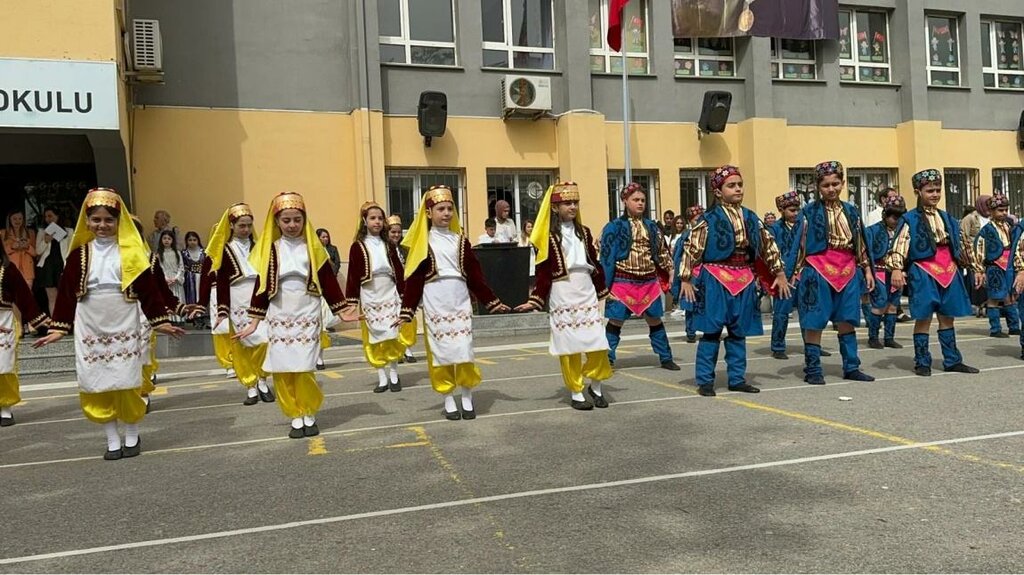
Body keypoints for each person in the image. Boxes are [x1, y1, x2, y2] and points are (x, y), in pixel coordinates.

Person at [33, 188, 185, 459]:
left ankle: (132, 434)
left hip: (123, 318)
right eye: (96, 220)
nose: (102, 225)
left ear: (119, 222)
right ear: (87, 222)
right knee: (96, 382)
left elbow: (149, 292)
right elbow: (67, 294)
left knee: (127, 380)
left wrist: (160, 322)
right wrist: (58, 328)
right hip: (90, 321)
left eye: (108, 220)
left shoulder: (131, 254)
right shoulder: (78, 255)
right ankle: (112, 438)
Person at [235, 192, 347, 438]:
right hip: (279, 312)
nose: (292, 225)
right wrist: (254, 321)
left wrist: (342, 310)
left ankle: (309, 412)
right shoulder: (271, 250)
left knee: (304, 366)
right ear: (277, 221)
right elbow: (261, 288)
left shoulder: (313, 248)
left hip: (307, 309)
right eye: (286, 220)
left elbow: (328, 281)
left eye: (297, 219)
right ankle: (294, 415)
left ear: (304, 219)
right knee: (284, 368)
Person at [395, 185, 510, 421]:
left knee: (464, 349)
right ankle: (448, 398)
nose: (446, 213)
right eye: (440, 209)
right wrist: (407, 311)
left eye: (449, 208)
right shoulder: (422, 243)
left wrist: (492, 301)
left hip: (458, 297)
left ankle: (467, 397)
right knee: (440, 352)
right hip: (435, 297)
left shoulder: (461, 241)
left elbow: (475, 276)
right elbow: (415, 279)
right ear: (428, 213)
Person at [677, 166, 790, 396]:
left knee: (739, 332)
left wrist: (779, 273)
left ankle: (737, 378)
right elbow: (692, 248)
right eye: (731, 185)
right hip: (715, 277)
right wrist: (686, 279)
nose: (738, 188)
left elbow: (768, 244)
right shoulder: (707, 219)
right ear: (718, 191)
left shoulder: (751, 217)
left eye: (740, 184)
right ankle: (705, 381)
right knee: (711, 331)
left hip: (744, 277)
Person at [515, 182, 612, 409]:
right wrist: (535, 298)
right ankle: (576, 391)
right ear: (555, 207)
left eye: (575, 202)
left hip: (585, 287)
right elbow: (543, 271)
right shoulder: (547, 237)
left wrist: (604, 290)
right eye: (567, 203)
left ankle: (595, 386)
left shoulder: (584, 232)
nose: (573, 207)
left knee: (597, 342)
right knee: (569, 346)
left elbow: (594, 264)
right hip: (562, 289)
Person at [787, 161, 875, 385]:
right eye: (826, 185)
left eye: (836, 183)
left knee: (847, 319)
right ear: (818, 186)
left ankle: (851, 366)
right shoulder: (808, 212)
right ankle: (814, 369)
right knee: (814, 321)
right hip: (817, 270)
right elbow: (799, 244)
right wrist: (792, 273)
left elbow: (860, 243)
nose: (831, 189)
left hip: (847, 269)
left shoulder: (852, 211)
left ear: (843, 183)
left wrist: (866, 270)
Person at [886, 169, 981, 377]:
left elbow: (963, 243)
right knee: (924, 317)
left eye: (938, 190)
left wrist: (975, 267)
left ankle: (952, 360)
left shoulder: (947, 217)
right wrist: (896, 267)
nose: (935, 194)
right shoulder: (909, 219)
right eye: (930, 190)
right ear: (918, 191)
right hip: (923, 270)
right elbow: (900, 243)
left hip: (949, 268)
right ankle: (922, 361)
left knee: (947, 317)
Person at [197, 203, 274, 406]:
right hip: (236, 297)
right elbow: (221, 282)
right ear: (231, 225)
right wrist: (222, 309)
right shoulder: (225, 249)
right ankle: (250, 386)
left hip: (258, 295)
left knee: (265, 340)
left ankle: (263, 379)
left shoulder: (260, 246)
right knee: (241, 345)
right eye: (242, 225)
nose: (246, 229)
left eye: (249, 225)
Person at [600, 182, 679, 370]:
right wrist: (603, 286)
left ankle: (665, 357)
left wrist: (670, 270)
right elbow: (606, 256)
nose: (640, 203)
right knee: (616, 320)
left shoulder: (652, 227)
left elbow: (661, 252)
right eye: (635, 200)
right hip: (622, 280)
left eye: (643, 200)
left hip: (648, 281)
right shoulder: (614, 226)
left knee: (654, 319)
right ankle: (606, 360)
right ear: (625, 201)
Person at [343, 202, 416, 393]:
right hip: (369, 293)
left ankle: (393, 373)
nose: (377, 222)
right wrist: (351, 302)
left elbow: (399, 272)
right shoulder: (357, 247)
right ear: (364, 221)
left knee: (392, 334)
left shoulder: (388, 245)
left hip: (389, 291)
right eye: (372, 218)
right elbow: (352, 275)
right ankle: (381, 376)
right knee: (374, 337)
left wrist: (404, 295)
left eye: (380, 218)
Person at [0, 249, 49, 427]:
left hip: (3, 321)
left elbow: (24, 297)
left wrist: (44, 322)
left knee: (4, 366)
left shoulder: (8, 268)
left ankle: (5, 408)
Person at [863, 194, 906, 349]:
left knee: (893, 305)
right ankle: (873, 337)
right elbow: (866, 253)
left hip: (897, 272)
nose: (896, 220)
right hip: (879, 272)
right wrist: (868, 272)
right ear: (885, 215)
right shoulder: (872, 231)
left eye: (900, 217)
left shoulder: (904, 231)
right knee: (879, 304)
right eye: (894, 217)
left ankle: (889, 337)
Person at [975, 193, 1020, 338]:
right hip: (994, 265)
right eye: (1000, 210)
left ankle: (1013, 326)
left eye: (1006, 210)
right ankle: (995, 328)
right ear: (991, 212)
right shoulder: (987, 230)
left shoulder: (1009, 226)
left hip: (1009, 264)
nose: (1004, 213)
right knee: (994, 297)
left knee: (1009, 296)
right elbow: (980, 249)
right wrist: (980, 268)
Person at [768, 191, 801, 360]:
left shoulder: (804, 226)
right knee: (781, 312)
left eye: (797, 210)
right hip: (784, 276)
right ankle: (778, 346)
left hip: (803, 274)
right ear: (782, 210)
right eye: (791, 210)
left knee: (808, 311)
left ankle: (811, 345)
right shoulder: (774, 229)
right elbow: (770, 254)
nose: (795, 214)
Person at [387, 214, 417, 364]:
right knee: (393, 320)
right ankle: (398, 350)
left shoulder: (404, 249)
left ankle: (406, 347)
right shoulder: (385, 249)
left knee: (407, 319)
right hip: (390, 290)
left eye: (399, 232)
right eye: (393, 232)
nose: (396, 235)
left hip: (404, 288)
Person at [35, 207, 74, 315]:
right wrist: (46, 241)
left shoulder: (69, 231)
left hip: (62, 264)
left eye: (50, 216)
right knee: (52, 297)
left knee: (66, 295)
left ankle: (68, 321)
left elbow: (71, 249)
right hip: (48, 265)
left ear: (57, 216)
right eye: (46, 216)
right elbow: (38, 251)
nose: (48, 219)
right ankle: (54, 322)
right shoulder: (42, 231)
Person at [963, 196, 991, 316]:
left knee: (987, 282)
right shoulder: (970, 218)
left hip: (989, 256)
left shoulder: (992, 218)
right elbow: (963, 236)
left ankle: (986, 305)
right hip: (974, 256)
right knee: (975, 282)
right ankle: (976, 305)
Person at [3, 210, 37, 290]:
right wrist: (12, 247)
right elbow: (2, 252)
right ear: (10, 220)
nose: (17, 221)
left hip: (27, 270)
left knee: (26, 296)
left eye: (20, 218)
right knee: (12, 297)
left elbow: (35, 253)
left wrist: (27, 247)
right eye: (14, 219)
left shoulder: (30, 232)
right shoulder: (4, 233)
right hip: (11, 269)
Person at [157, 230, 185, 324]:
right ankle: (168, 319)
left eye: (169, 238)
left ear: (172, 240)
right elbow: (160, 267)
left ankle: (178, 319)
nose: (166, 240)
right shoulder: (158, 254)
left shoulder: (177, 253)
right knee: (166, 298)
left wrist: (176, 278)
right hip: (165, 280)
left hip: (175, 279)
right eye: (164, 238)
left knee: (177, 297)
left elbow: (181, 267)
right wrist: (165, 278)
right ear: (161, 240)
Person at [181, 231, 207, 327]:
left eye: (194, 240)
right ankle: (192, 316)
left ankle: (202, 315)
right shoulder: (184, 253)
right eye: (190, 240)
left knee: (201, 296)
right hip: (190, 279)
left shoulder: (204, 252)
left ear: (198, 240)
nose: (192, 242)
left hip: (202, 277)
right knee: (191, 297)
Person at [518, 219, 537, 289]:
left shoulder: (536, 238)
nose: (530, 229)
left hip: (535, 264)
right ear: (524, 228)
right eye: (528, 227)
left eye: (532, 226)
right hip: (526, 265)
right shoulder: (521, 239)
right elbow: (520, 252)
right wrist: (528, 245)